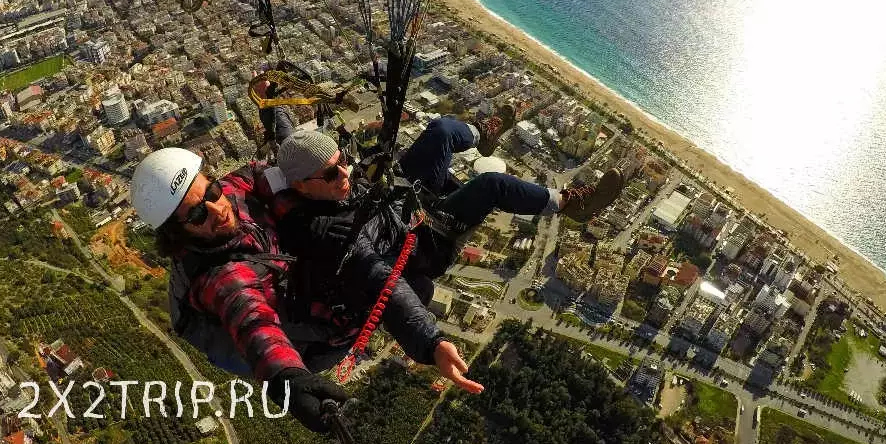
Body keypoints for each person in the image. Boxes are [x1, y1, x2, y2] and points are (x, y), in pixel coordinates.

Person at [130, 147, 482, 432]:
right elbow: (254, 323)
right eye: (196, 216)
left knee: (386, 266)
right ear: (177, 233)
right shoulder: (224, 276)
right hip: (314, 339)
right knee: (414, 286)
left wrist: (306, 215)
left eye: (211, 192)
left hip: (293, 271)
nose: (217, 210)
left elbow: (266, 173)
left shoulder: (233, 192)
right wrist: (289, 381)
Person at [267, 115, 625, 304]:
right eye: (331, 173)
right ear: (300, 186)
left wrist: (274, 104)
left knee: (440, 130)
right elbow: (374, 270)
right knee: (492, 185)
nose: (344, 173)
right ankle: (573, 205)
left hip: (402, 197)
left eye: (343, 161)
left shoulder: (316, 178)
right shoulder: (318, 227)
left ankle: (479, 134)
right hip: (423, 239)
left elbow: (290, 145)